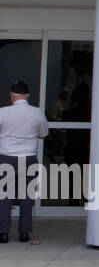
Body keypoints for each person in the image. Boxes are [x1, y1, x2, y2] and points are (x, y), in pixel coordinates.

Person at [0, 80, 50, 244]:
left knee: (5, 195)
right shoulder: (37, 112)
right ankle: (24, 233)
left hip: (6, 157)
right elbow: (43, 134)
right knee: (27, 196)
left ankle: (3, 233)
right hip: (28, 158)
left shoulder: (3, 112)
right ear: (27, 95)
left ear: (11, 96)